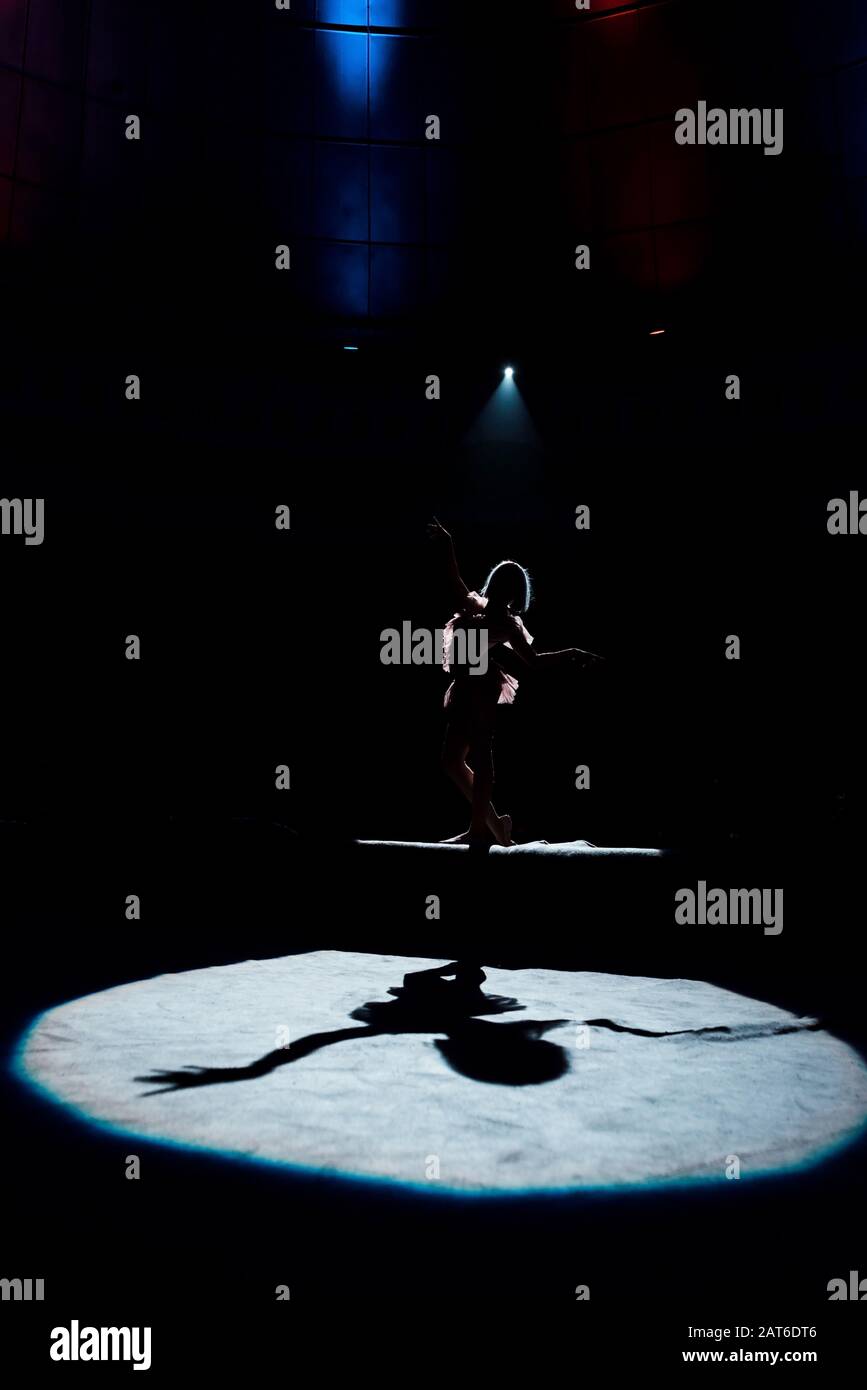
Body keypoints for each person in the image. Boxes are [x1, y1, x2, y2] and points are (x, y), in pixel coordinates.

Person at [428, 517, 602, 847]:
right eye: (499, 580)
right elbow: (453, 579)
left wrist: (572, 653)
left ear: (511, 591)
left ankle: (480, 828)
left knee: (480, 755)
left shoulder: (507, 623)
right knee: (451, 760)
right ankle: (494, 825)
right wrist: (447, 543)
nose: (498, 586)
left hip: (480, 687)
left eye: (506, 583)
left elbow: (534, 661)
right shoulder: (475, 605)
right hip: (466, 686)